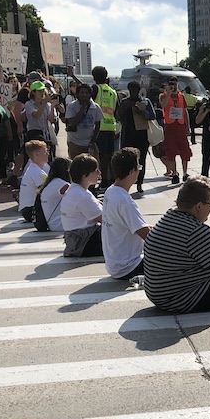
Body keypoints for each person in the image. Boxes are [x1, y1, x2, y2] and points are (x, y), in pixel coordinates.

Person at [142, 174, 210, 313]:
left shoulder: (167, 219)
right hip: (179, 298)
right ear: (199, 206)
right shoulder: (195, 230)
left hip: (157, 294)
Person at [102, 147, 151, 281]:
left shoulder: (111, 191)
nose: (139, 170)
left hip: (114, 264)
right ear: (131, 172)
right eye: (138, 167)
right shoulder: (125, 201)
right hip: (129, 266)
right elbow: (147, 235)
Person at [59, 153, 103, 257]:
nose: (99, 173)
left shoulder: (76, 190)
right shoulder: (81, 195)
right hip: (83, 241)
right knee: (117, 227)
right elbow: (105, 218)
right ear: (84, 175)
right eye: (96, 170)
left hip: (76, 240)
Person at [115, 80, 153, 196]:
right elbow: (117, 116)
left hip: (142, 136)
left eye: (135, 90)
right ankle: (126, 184)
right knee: (127, 161)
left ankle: (139, 183)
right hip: (128, 135)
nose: (133, 92)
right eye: (131, 90)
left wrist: (142, 112)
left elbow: (152, 115)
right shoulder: (125, 102)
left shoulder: (145, 101)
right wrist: (124, 108)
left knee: (141, 161)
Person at [159, 76, 191, 184]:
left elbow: (185, 111)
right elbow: (163, 105)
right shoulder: (163, 95)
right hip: (170, 126)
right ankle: (175, 173)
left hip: (180, 126)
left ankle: (185, 173)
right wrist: (168, 93)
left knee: (185, 150)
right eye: (171, 83)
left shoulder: (181, 96)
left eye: (175, 83)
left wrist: (188, 125)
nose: (173, 86)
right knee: (171, 151)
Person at [64, 82, 103, 160]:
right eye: (82, 93)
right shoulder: (72, 106)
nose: (84, 95)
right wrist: (82, 111)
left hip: (88, 143)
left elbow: (98, 125)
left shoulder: (96, 107)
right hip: (74, 142)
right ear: (77, 94)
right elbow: (72, 122)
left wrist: (93, 141)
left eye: (87, 93)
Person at [34, 156, 70, 233]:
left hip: (52, 223)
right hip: (59, 224)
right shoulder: (63, 185)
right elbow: (78, 198)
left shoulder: (50, 183)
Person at [18, 139, 50, 224]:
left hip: (27, 209)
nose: (47, 154)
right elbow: (48, 189)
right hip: (31, 210)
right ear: (37, 155)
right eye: (45, 152)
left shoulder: (35, 168)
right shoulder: (36, 172)